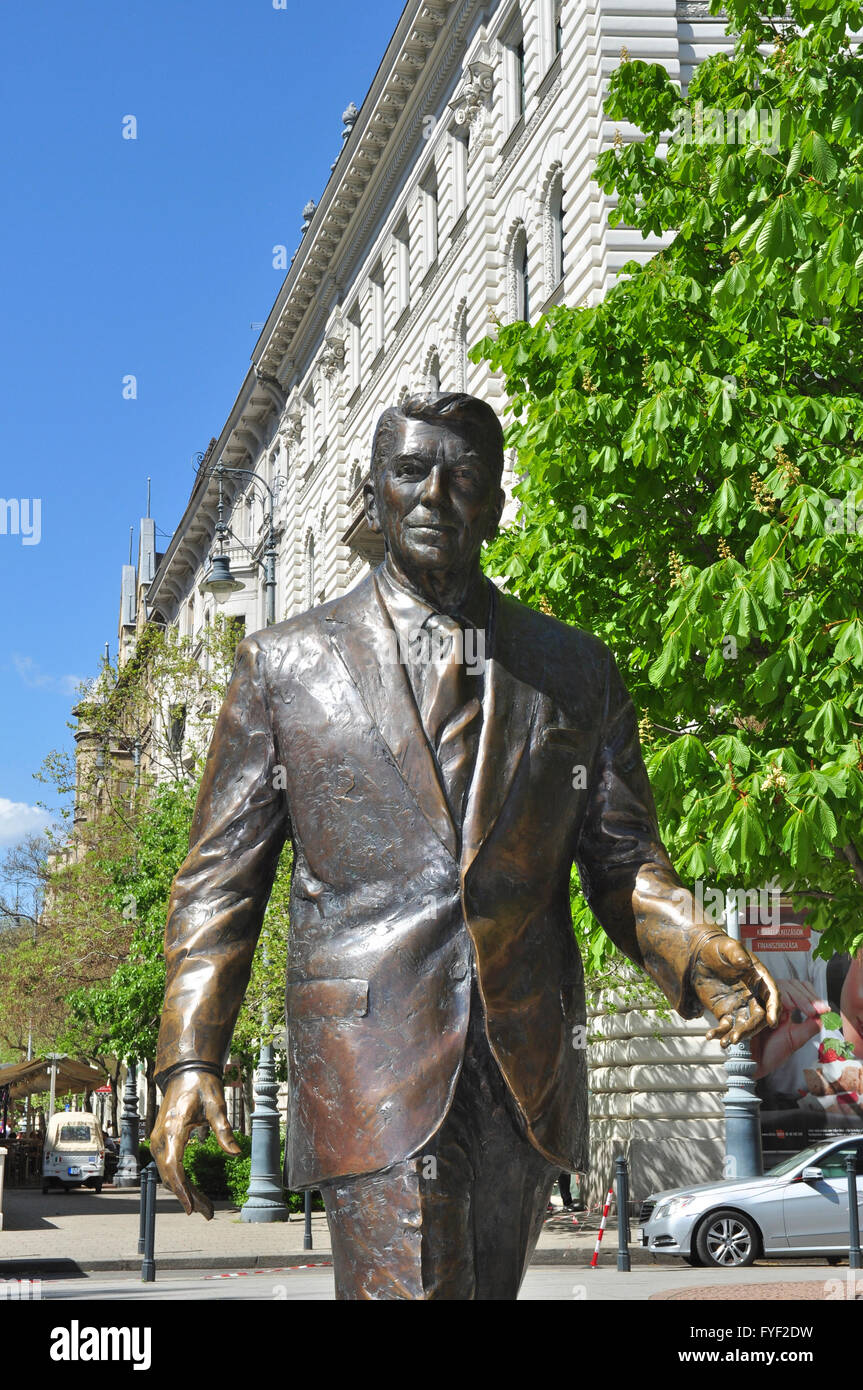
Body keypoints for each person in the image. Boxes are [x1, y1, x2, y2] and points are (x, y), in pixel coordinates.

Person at [151, 392, 778, 1300]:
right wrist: (190, 1056)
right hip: (367, 1059)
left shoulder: (571, 668)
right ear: (372, 494)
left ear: (494, 502)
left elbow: (620, 857)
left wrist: (690, 947)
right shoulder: (284, 667)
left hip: (522, 1062)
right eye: (409, 472)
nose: (435, 495)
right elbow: (219, 883)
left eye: (463, 476)